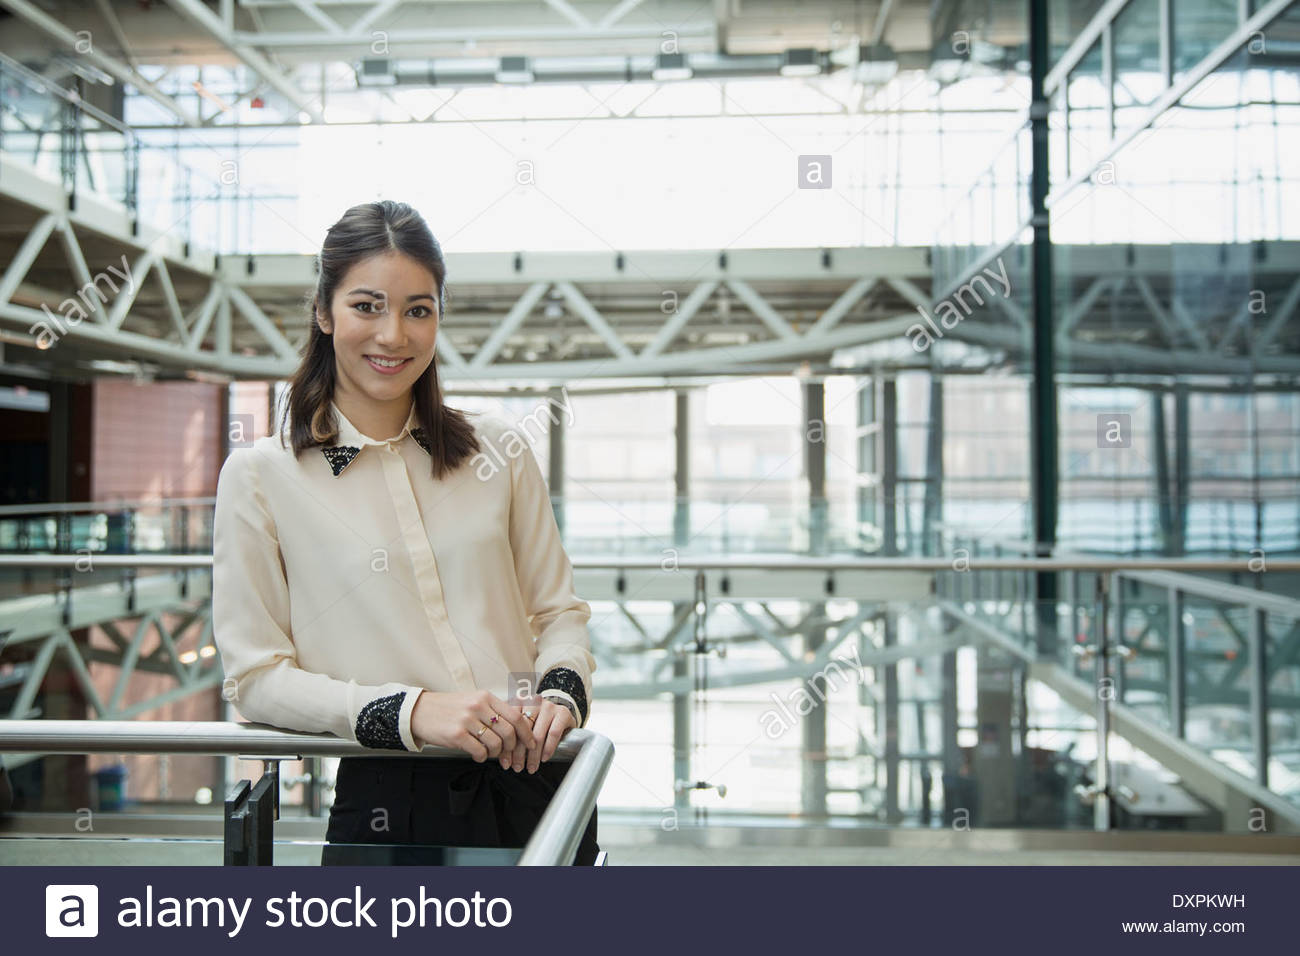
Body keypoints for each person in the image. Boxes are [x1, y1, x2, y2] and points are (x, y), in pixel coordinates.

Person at [211, 199, 599, 865]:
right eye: (368, 306)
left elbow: (557, 614)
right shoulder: (261, 475)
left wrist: (558, 695)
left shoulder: (498, 450)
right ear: (324, 312)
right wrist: (408, 712)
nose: (394, 334)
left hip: (542, 777)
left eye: (418, 309)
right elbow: (255, 678)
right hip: (391, 796)